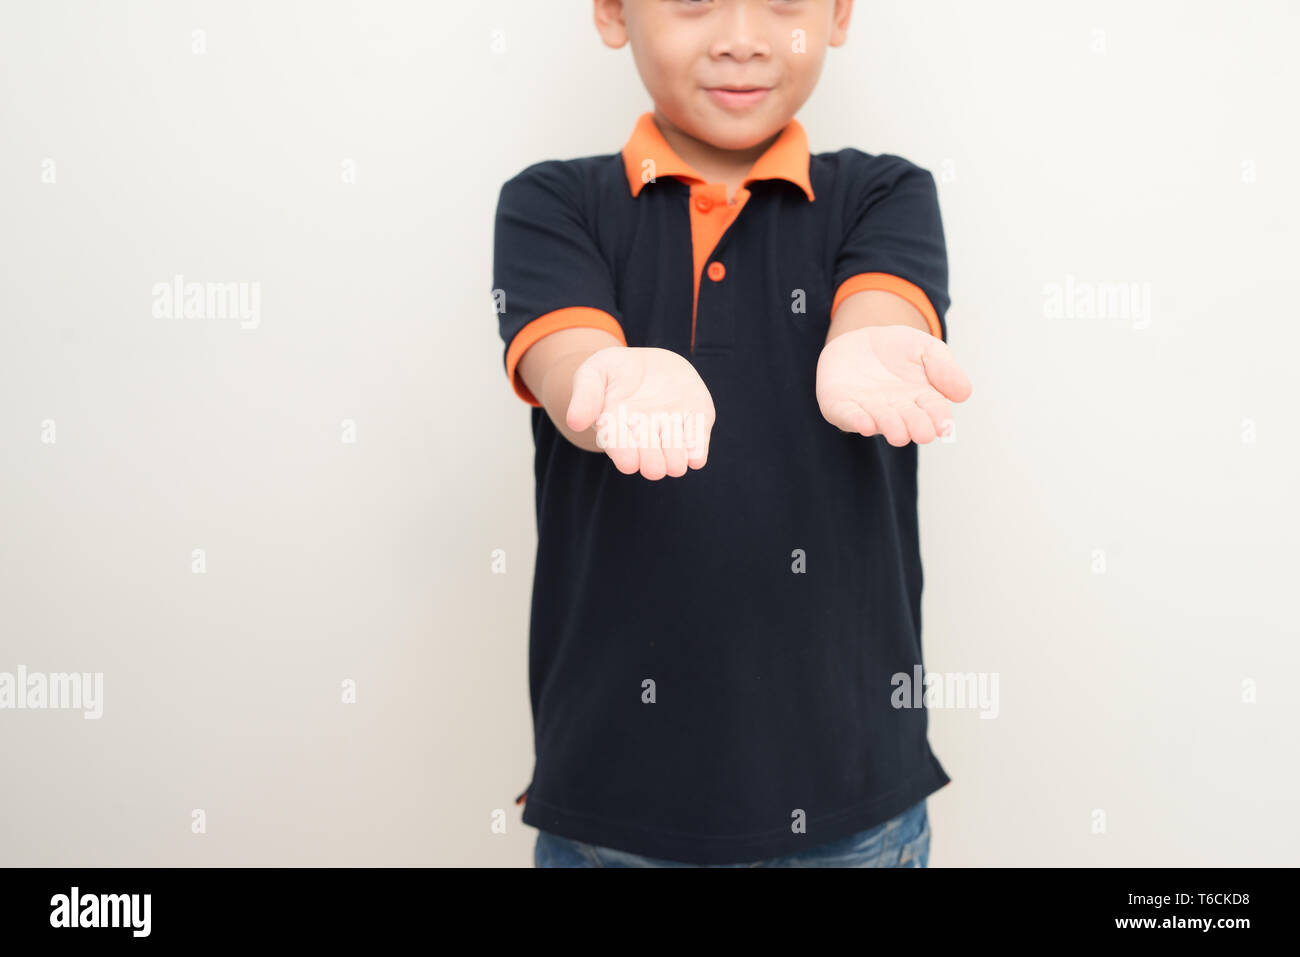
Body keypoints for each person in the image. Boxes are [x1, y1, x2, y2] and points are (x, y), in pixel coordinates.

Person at [491, 0, 973, 867]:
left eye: (782, 0)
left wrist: (863, 337)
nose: (742, 36)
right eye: (692, 1)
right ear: (611, 12)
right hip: (611, 806)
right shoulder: (553, 203)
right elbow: (570, 359)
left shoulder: (883, 192)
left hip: (852, 807)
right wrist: (608, 384)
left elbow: (883, 299)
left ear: (837, 15)